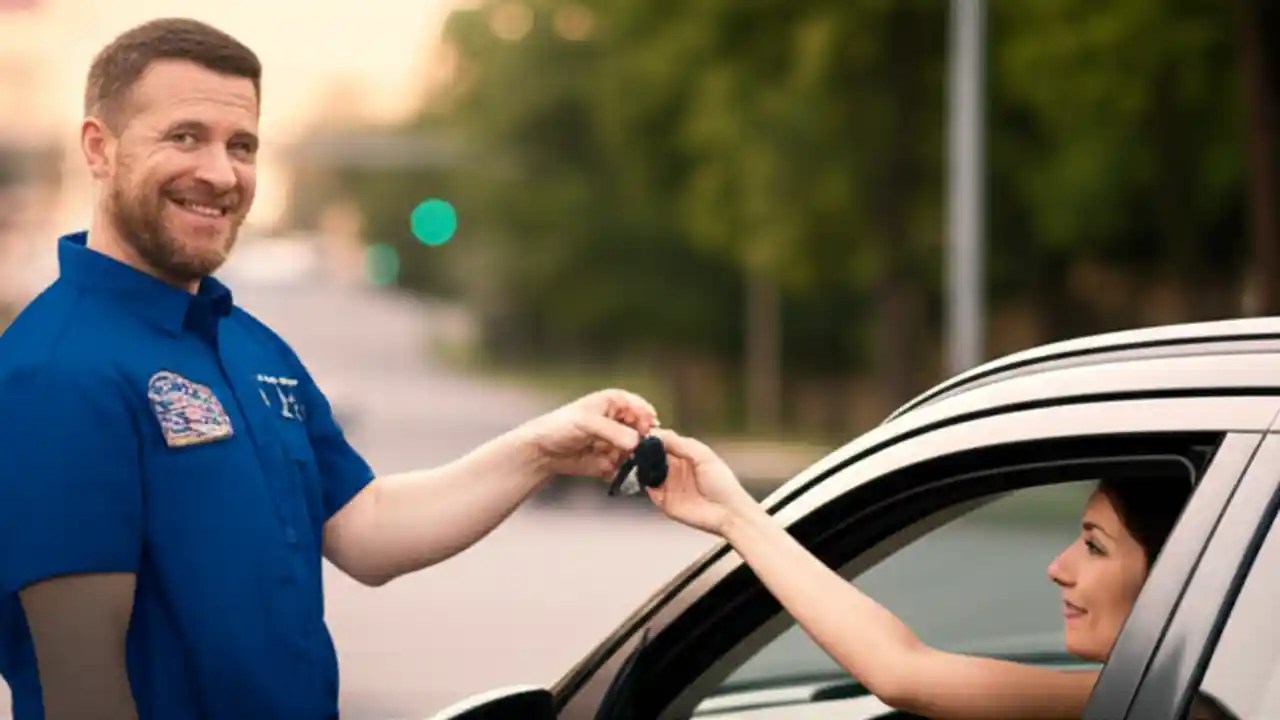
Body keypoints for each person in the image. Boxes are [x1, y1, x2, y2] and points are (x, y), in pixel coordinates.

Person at [0, 18, 657, 720]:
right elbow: (82, 691)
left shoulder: (249, 347)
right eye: (184, 136)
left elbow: (365, 528)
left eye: (241, 145)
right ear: (99, 149)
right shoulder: (55, 372)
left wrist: (539, 449)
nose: (220, 174)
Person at [645, 428, 1203, 720]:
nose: (1058, 569)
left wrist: (734, 517)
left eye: (1095, 547)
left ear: (1177, 577)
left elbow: (903, 674)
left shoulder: (1189, 709)